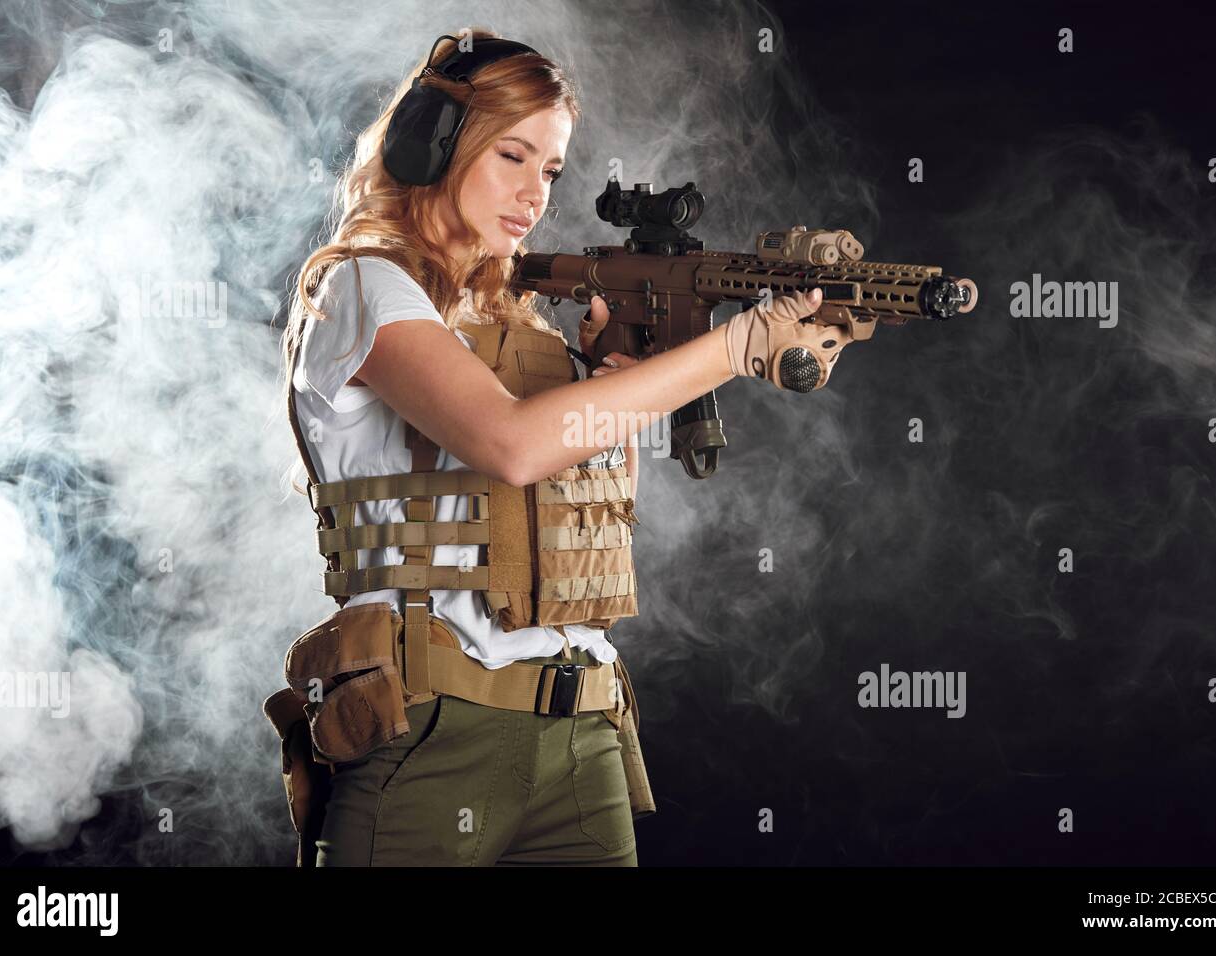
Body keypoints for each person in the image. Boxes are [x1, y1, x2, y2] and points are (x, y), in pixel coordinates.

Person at [267, 30, 853, 868]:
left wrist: (618, 375)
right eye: (512, 155)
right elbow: (511, 446)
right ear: (431, 142)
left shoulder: (522, 320)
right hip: (433, 731)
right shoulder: (361, 287)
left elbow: (588, 514)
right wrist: (731, 348)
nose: (534, 193)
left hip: (583, 732)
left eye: (550, 170)